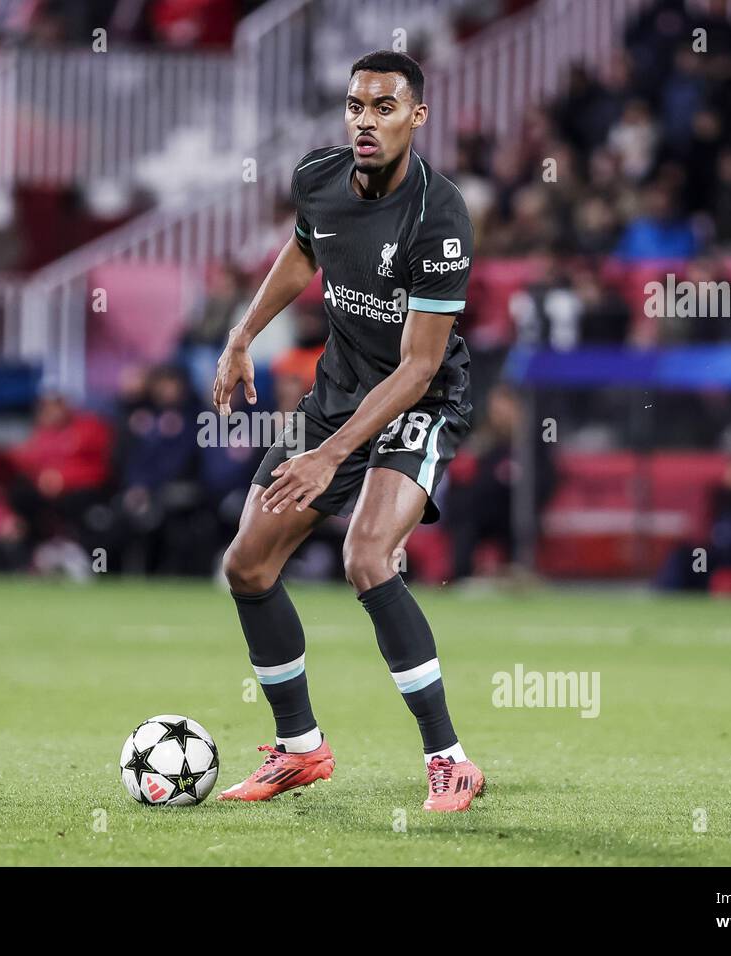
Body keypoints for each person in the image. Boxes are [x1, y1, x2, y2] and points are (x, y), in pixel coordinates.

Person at [210, 51, 484, 812]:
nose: (366, 120)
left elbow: (419, 368)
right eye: (356, 106)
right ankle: (301, 749)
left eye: (385, 107)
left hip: (420, 402)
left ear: (416, 117)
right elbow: (304, 253)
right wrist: (243, 333)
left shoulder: (440, 214)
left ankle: (450, 759)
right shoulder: (319, 179)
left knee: (367, 555)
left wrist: (332, 456)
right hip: (338, 395)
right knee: (248, 564)